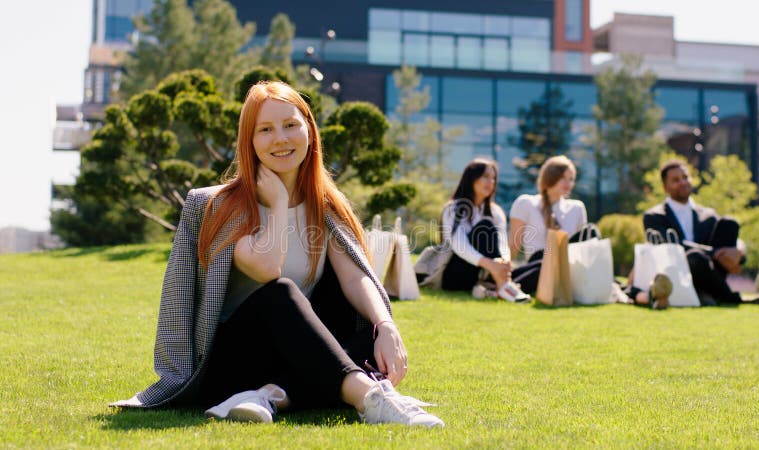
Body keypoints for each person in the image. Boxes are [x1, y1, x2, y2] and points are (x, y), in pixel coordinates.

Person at [110, 81, 444, 428]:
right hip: (230, 365)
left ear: (310, 132)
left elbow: (355, 277)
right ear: (249, 141)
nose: (280, 139)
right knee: (281, 293)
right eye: (265, 130)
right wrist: (280, 202)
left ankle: (270, 396)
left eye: (290, 125)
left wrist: (386, 326)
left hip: (297, 355)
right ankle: (371, 399)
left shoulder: (325, 206)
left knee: (364, 326)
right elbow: (269, 271)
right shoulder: (219, 205)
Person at [643, 160, 759, 307]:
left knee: (729, 223)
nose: (683, 182)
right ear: (665, 187)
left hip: (712, 270)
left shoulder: (707, 215)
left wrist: (739, 252)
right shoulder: (654, 216)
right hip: (680, 270)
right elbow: (672, 245)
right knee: (695, 257)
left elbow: (728, 243)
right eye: (676, 180)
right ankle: (732, 298)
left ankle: (707, 293)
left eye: (685, 177)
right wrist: (714, 252)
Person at [439, 158, 530, 303]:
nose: (491, 182)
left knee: (489, 226)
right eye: (486, 177)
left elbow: (501, 242)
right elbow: (459, 246)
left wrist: (504, 261)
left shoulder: (496, 211)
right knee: (485, 226)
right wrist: (491, 265)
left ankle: (501, 285)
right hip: (456, 274)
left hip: (485, 271)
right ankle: (503, 286)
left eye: (493, 178)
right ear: (472, 179)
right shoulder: (453, 208)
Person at [508, 155, 590, 294]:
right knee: (545, 263)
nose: (568, 183)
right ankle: (506, 285)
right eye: (563, 178)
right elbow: (514, 244)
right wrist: (503, 271)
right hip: (537, 265)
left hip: (566, 266)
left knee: (591, 231)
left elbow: (582, 248)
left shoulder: (577, 208)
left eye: (571, 179)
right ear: (550, 178)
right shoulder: (526, 203)